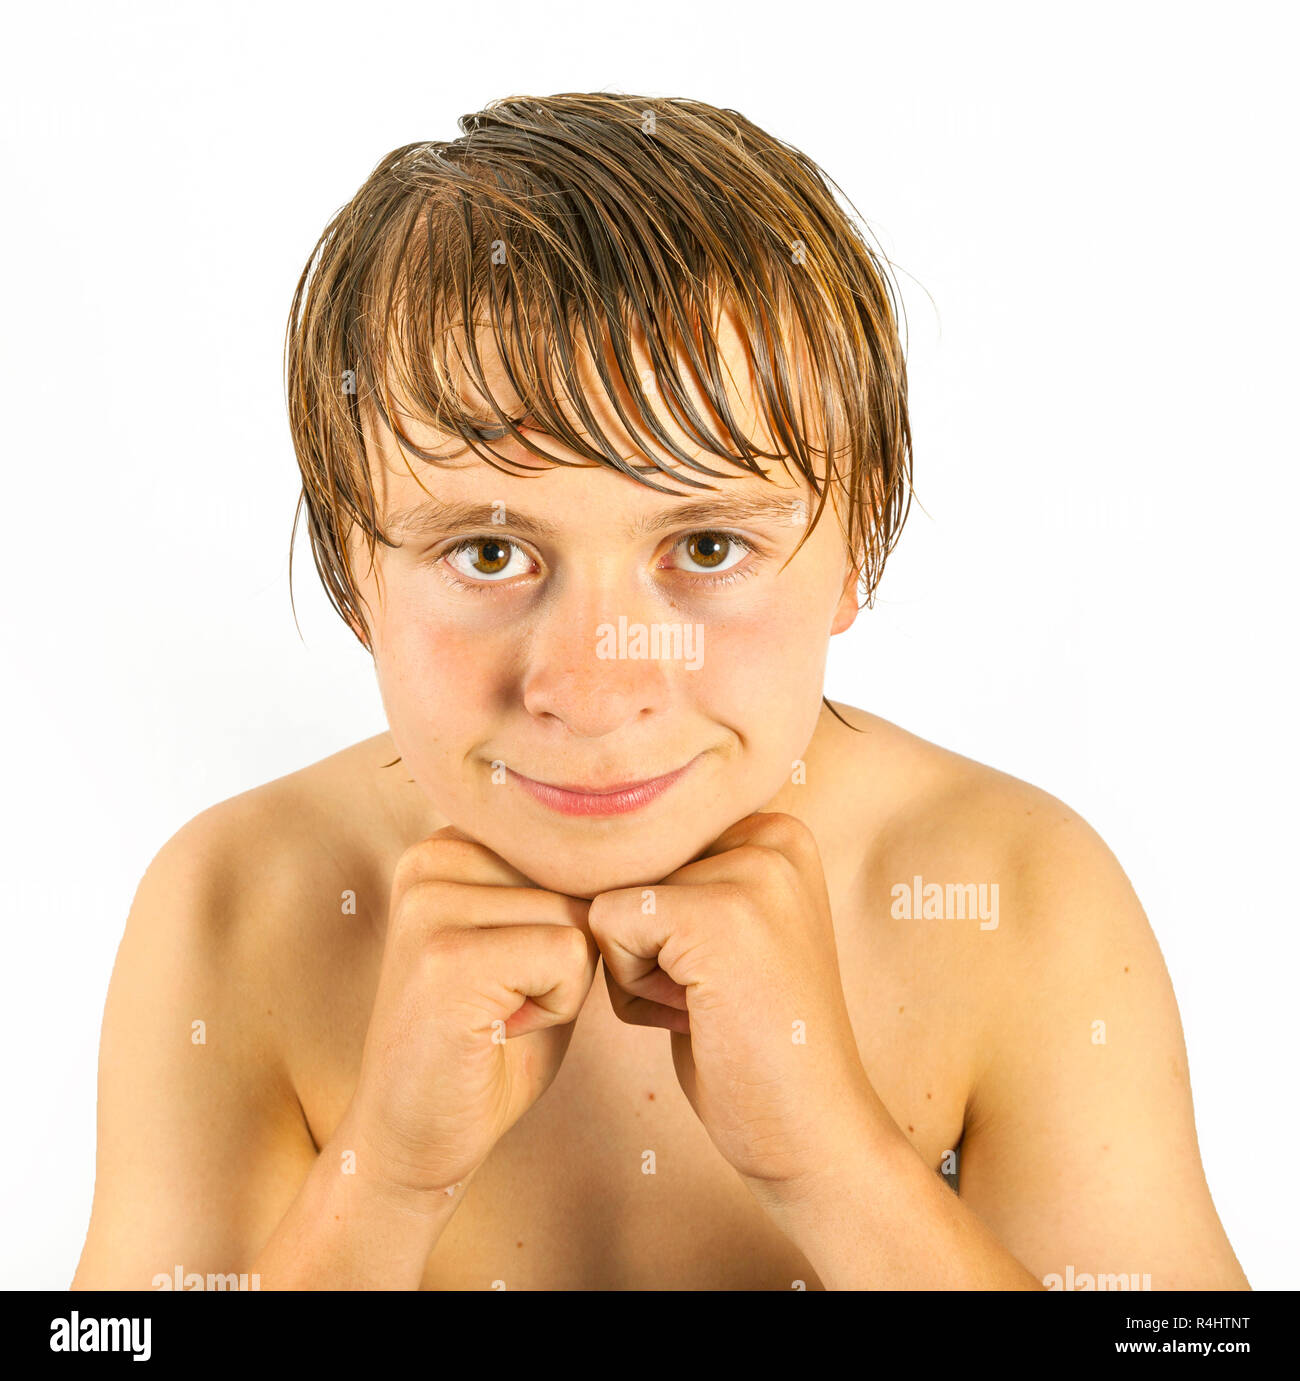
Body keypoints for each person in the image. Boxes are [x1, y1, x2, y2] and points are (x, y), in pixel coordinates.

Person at [71, 92, 1249, 1290]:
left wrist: (833, 1163)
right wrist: (387, 1181)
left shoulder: (1016, 899)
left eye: (706, 547)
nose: (593, 691)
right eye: (489, 552)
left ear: (856, 551)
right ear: (350, 568)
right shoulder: (234, 909)